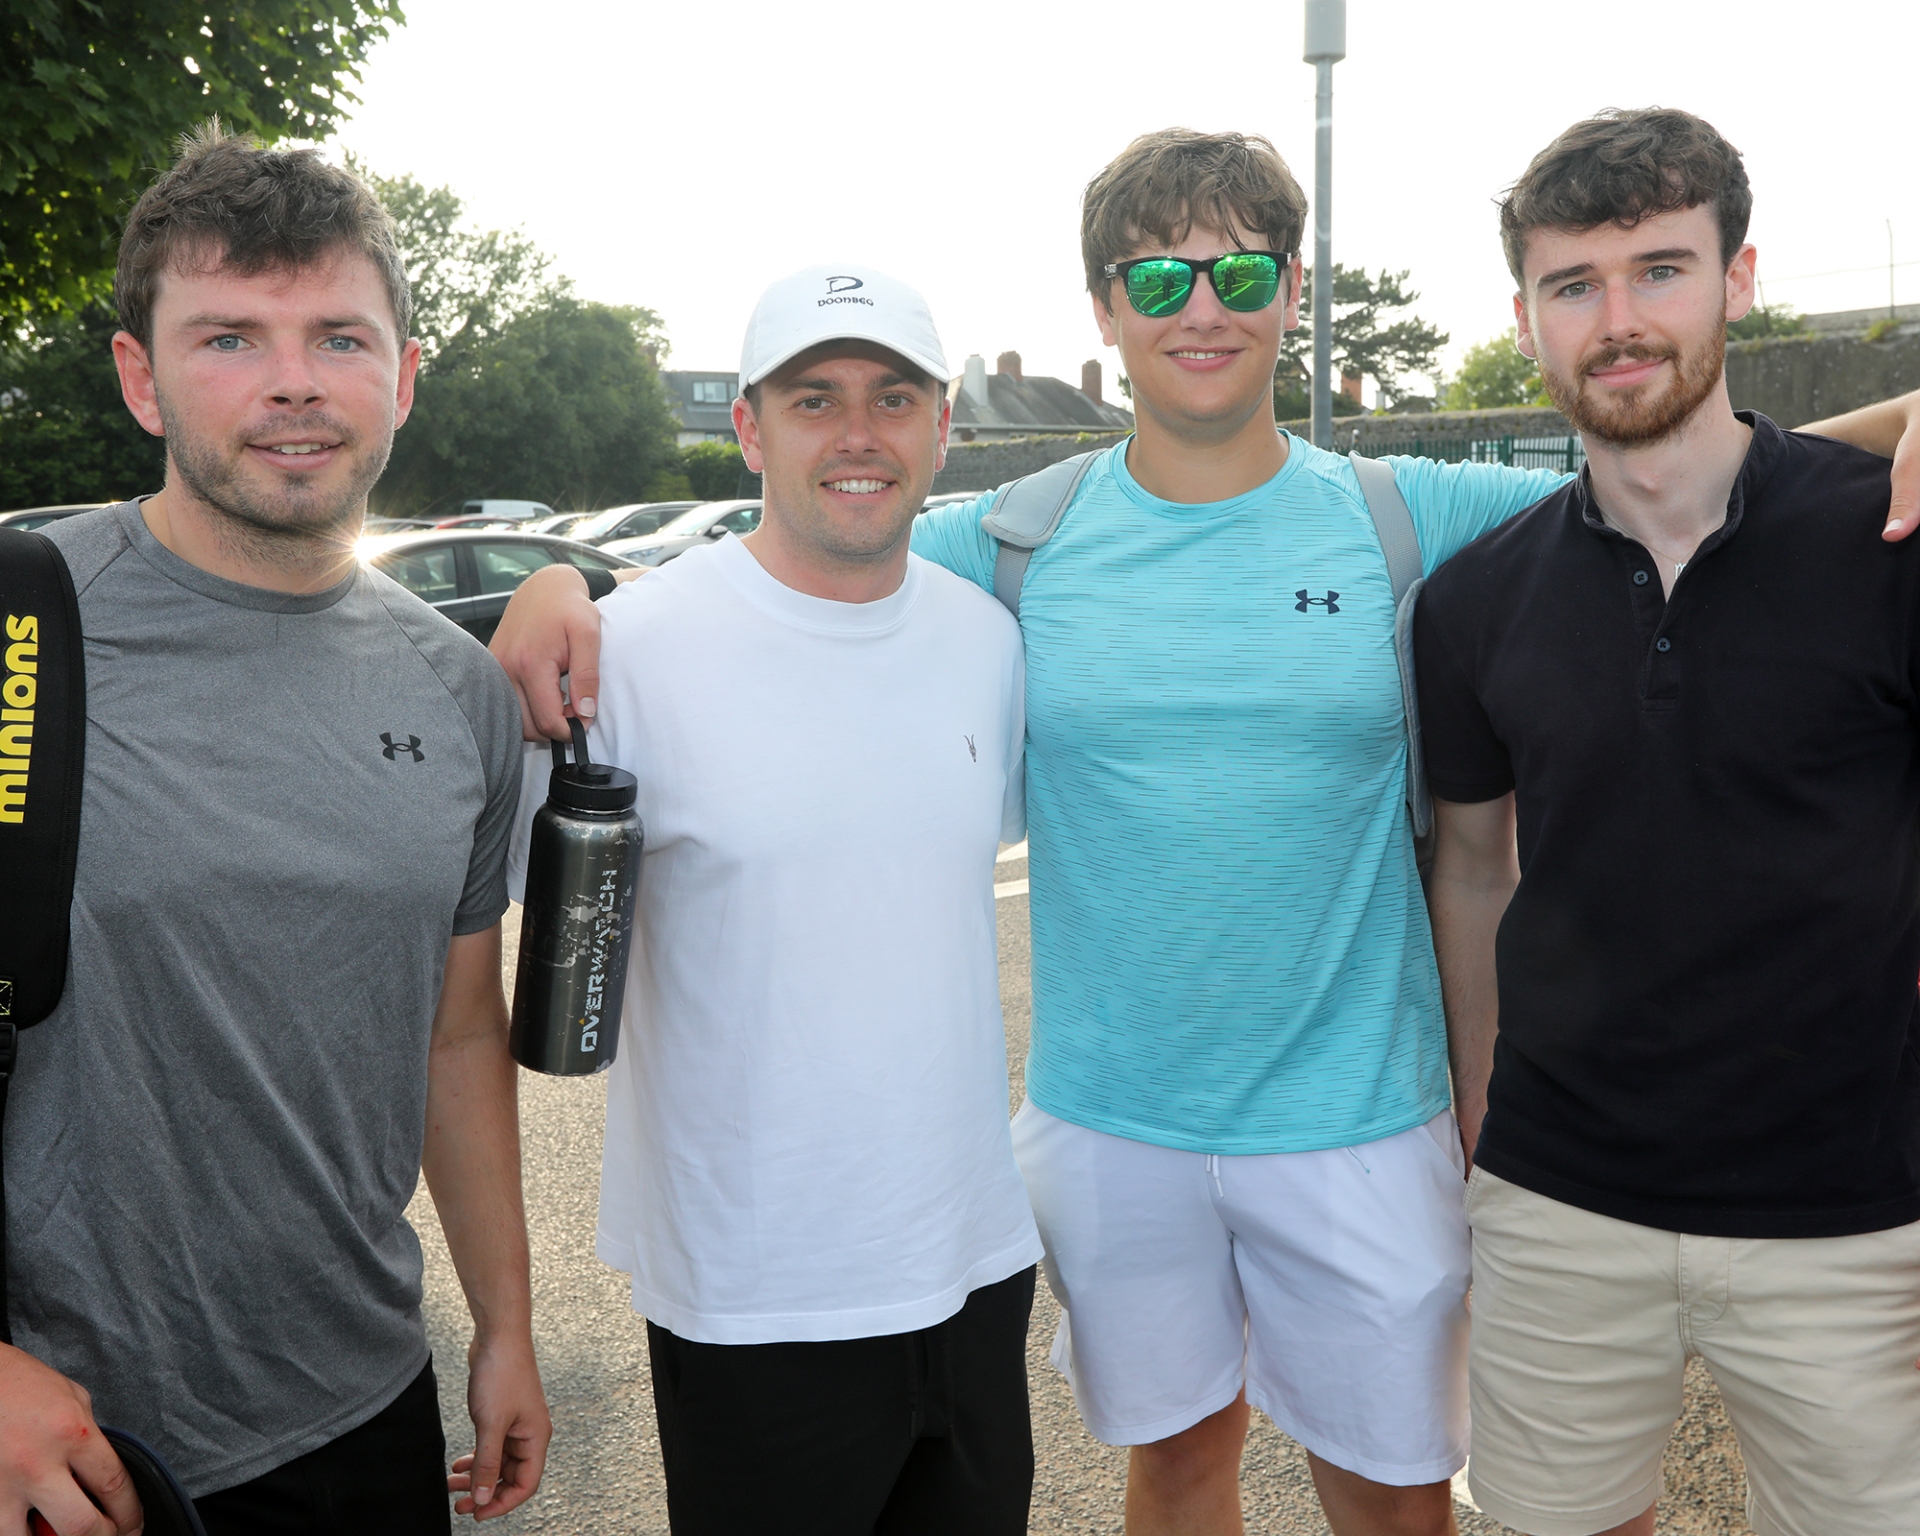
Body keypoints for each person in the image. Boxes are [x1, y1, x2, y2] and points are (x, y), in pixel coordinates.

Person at [488, 130, 1920, 1536]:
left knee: (1391, 1493)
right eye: (1158, 281)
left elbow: (1691, 465)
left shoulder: (1406, 512)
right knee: (1176, 1474)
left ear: (1294, 293)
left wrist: (1909, 417)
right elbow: (785, 556)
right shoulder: (1009, 539)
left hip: (1360, 1117)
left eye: (1240, 273)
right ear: (1105, 314)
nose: (1205, 310)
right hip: (1112, 1127)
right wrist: (567, 586)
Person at [0, 127, 549, 1534]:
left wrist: (503, 1325)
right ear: (141, 376)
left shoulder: (455, 691)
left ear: (405, 378)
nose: (295, 381)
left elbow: (455, 1034)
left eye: (340, 338)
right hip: (60, 1441)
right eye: (231, 336)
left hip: (362, 1411)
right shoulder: (15, 632)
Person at [1417, 107, 1920, 1536]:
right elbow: (1469, 865)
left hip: (1854, 1208)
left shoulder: (1886, 541)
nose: (1618, 319)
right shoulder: (1473, 602)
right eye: (1574, 284)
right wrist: (1479, 1105)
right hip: (1561, 1201)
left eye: (1660, 269)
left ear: (1738, 278)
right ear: (1526, 313)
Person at [504, 264, 1041, 1534]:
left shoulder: (985, 639)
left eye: (895, 398)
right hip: (754, 1295)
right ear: (748, 428)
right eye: (814, 399)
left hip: (973, 1266)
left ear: (944, 423)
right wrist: (546, 586)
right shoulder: (626, 650)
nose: (859, 434)